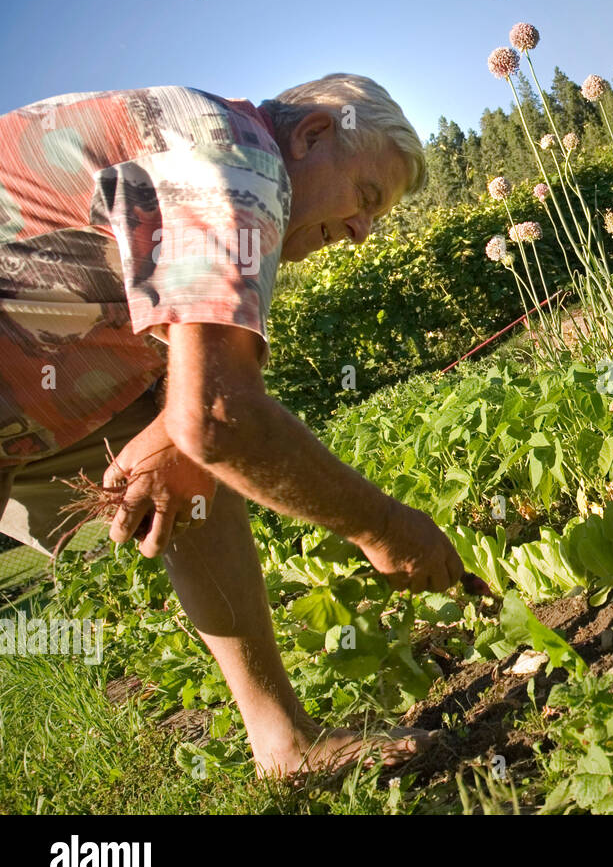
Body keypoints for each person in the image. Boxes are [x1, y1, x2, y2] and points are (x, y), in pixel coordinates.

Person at [0, 74, 465, 777]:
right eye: (366, 197)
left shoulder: (212, 150)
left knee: (193, 463)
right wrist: (390, 531)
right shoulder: (237, 158)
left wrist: (179, 433)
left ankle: (285, 743)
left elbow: (194, 405)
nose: (363, 233)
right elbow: (221, 417)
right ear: (311, 134)